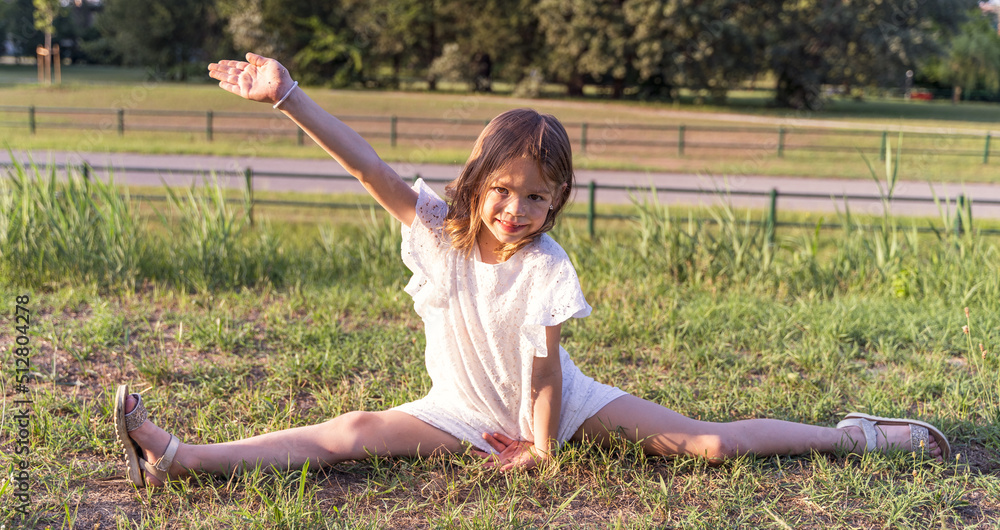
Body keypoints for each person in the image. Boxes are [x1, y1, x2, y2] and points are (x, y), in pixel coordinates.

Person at [113, 53, 950, 488]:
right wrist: (288, 94)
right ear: (476, 185)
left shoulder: (547, 265)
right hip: (457, 409)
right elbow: (367, 165)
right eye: (505, 191)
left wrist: (544, 452)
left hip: (563, 410)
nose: (517, 211)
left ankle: (857, 435)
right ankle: (182, 458)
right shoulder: (438, 228)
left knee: (705, 444)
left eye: (538, 199)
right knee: (354, 431)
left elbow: (545, 373)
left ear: (556, 205)